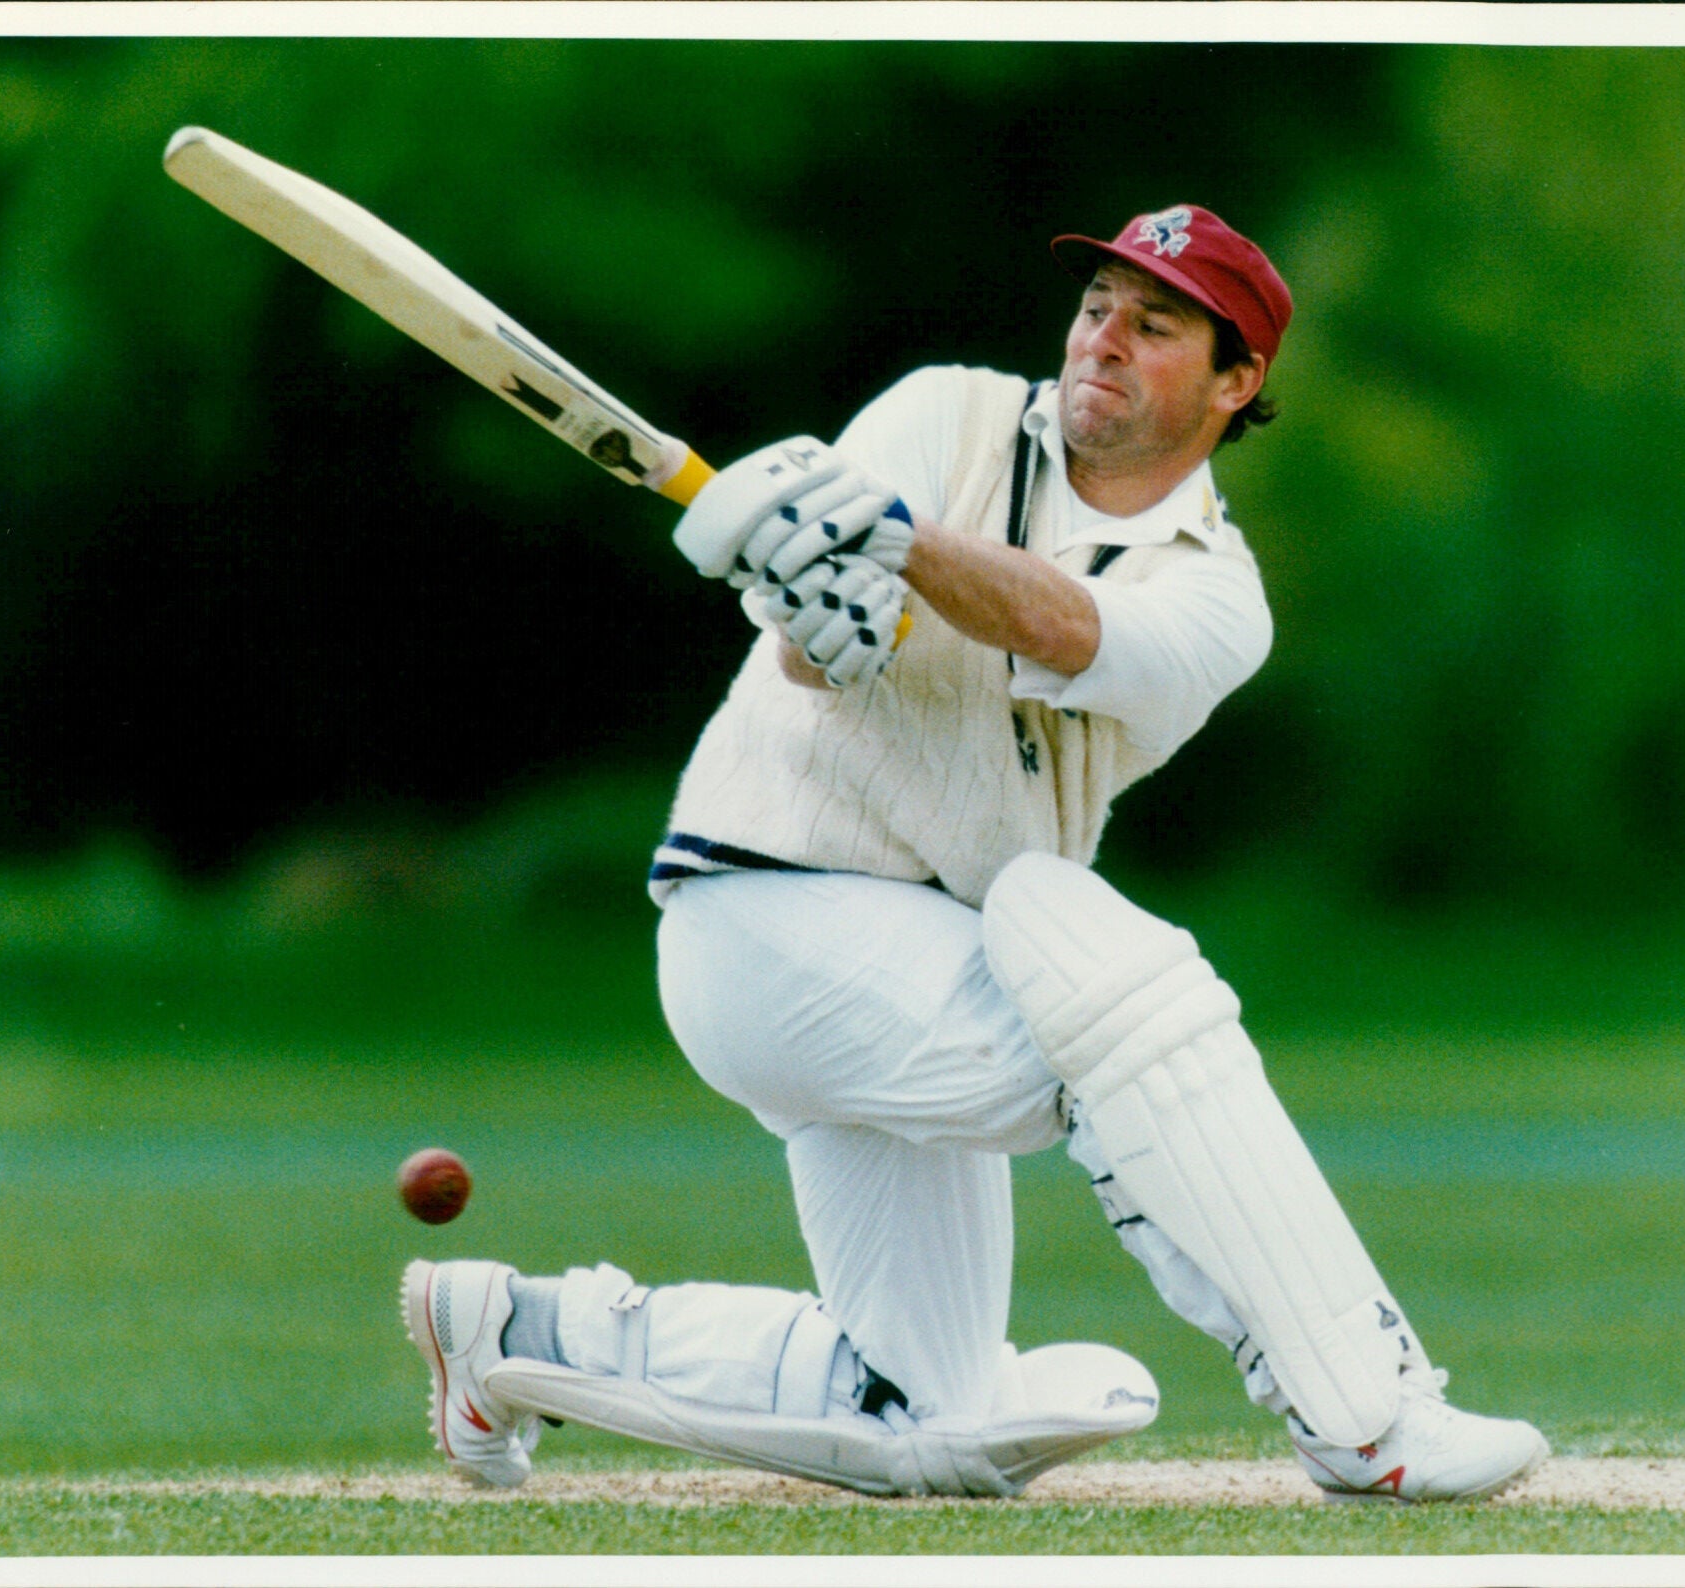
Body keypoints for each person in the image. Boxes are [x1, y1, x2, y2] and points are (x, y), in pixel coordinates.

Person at [402, 205, 1549, 1502]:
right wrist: (810, 597)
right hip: (765, 919)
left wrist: (895, 537)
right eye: (1097, 307)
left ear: (1238, 382)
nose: (1104, 339)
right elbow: (814, 645)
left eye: (1154, 325)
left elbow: (1067, 626)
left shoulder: (1219, 600)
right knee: (1129, 1012)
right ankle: (1367, 1416)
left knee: (921, 1410)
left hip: (927, 961)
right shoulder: (943, 412)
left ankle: (517, 1331)